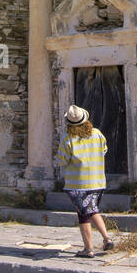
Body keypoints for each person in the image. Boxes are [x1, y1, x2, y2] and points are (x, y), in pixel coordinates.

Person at [53, 104, 114, 257]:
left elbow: (61, 161)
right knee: (92, 210)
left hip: (78, 183)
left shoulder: (68, 139)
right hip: (98, 181)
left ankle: (88, 249)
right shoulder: (98, 134)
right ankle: (107, 239)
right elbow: (104, 150)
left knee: (84, 215)